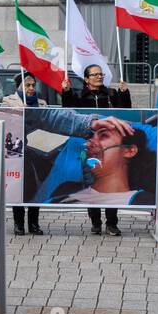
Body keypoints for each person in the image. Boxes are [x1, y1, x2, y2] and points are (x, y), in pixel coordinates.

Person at [61, 66, 132, 235]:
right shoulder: (79, 96)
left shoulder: (111, 94)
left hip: (108, 147)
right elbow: (69, 111)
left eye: (101, 74)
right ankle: (95, 222)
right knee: (91, 181)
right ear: (86, 79)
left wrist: (124, 94)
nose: (99, 77)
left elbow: (126, 111)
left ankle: (112, 223)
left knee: (109, 184)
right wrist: (66, 92)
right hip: (88, 146)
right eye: (95, 74)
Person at [6, 73, 48, 235]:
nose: (31, 88)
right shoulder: (8, 101)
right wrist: (19, 111)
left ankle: (34, 223)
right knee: (18, 188)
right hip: (17, 152)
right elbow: (7, 120)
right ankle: (19, 224)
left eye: (33, 85)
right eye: (27, 85)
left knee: (35, 188)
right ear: (18, 86)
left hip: (37, 150)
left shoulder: (42, 103)